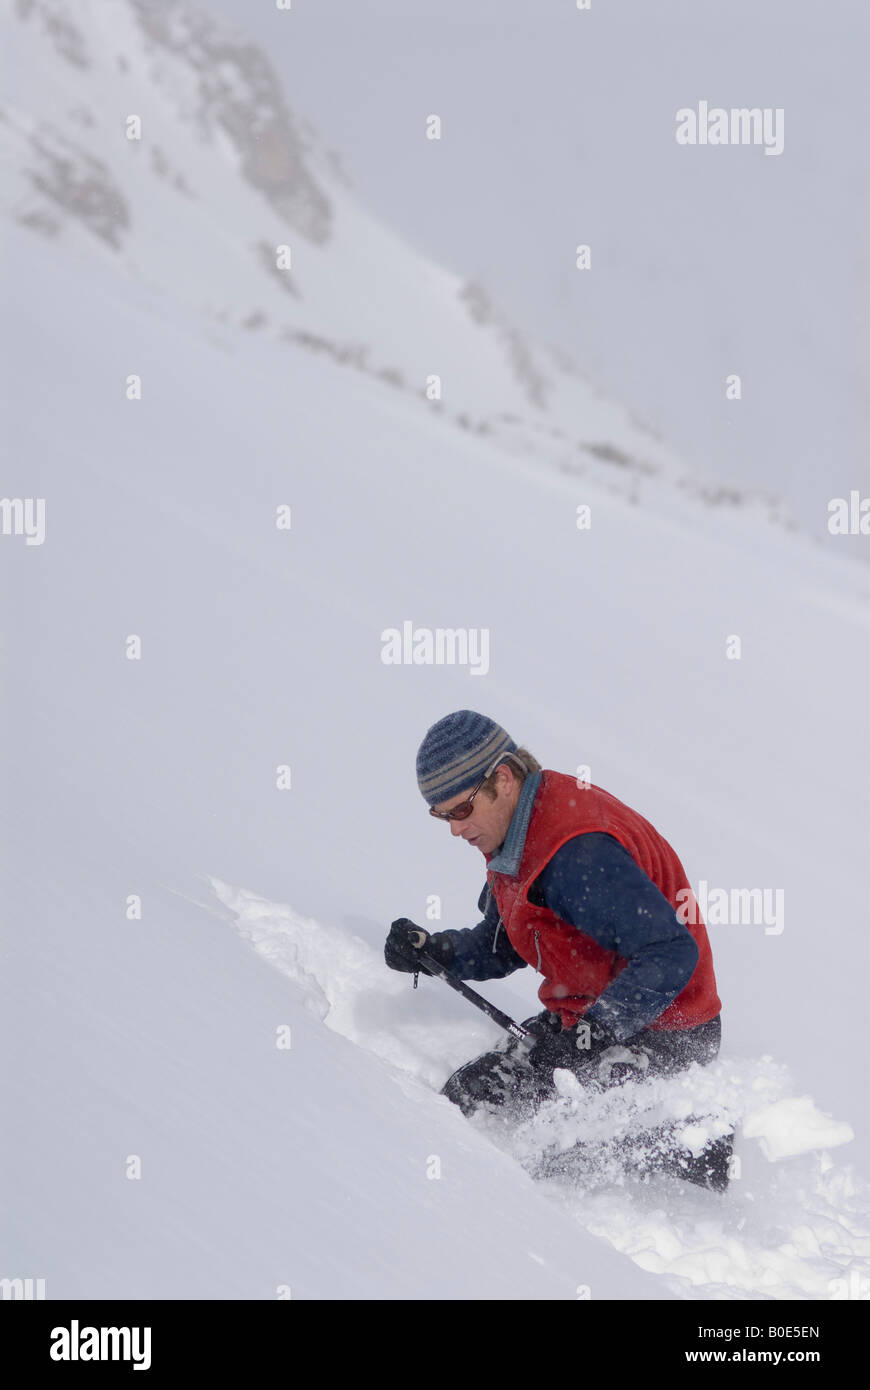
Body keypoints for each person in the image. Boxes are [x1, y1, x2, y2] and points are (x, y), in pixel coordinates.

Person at [385, 710, 732, 1191]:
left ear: (502, 779)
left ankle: (686, 1151)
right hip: (585, 1021)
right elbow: (507, 942)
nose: (453, 829)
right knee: (464, 1103)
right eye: (441, 816)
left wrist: (591, 1035)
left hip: (663, 1031)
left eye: (460, 811)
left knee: (544, 1166)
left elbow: (671, 951)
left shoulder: (575, 852)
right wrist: (436, 950)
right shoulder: (515, 837)